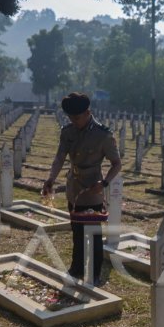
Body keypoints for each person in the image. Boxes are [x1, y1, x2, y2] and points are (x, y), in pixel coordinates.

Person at [41, 93, 121, 283]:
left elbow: (117, 163)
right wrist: (51, 178)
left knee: (93, 234)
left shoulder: (103, 135)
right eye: (71, 118)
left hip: (93, 190)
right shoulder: (67, 132)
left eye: (77, 118)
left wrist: (104, 183)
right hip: (74, 189)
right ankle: (76, 268)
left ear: (88, 113)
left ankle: (94, 273)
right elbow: (60, 157)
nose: (74, 121)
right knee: (76, 231)